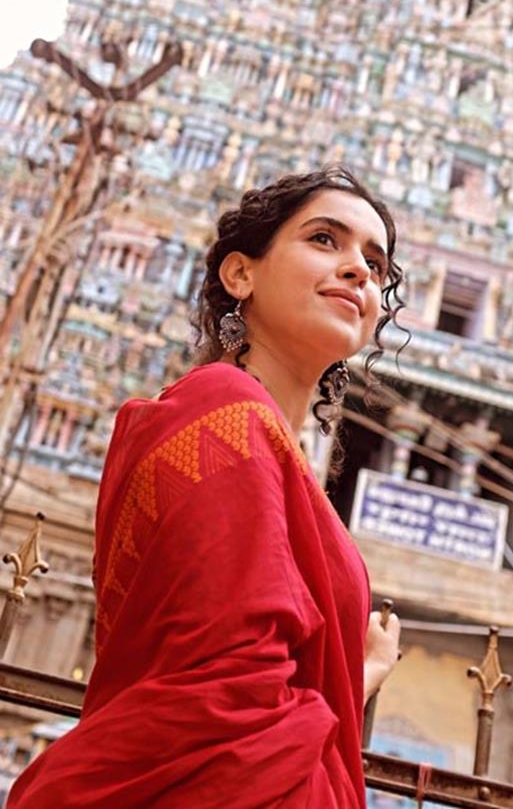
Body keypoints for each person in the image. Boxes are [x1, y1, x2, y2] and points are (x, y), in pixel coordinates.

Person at [8, 165, 403, 808]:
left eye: (376, 263)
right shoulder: (223, 412)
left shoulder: (268, 445)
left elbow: (250, 679)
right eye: (325, 240)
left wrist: (356, 674)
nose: (360, 269)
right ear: (240, 274)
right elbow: (226, 701)